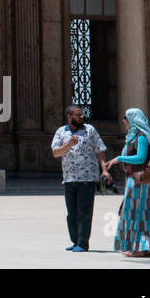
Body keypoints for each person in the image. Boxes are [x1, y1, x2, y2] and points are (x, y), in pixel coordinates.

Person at [102, 107, 150, 258]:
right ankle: (134, 246)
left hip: (139, 180)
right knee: (132, 211)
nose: (124, 123)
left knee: (140, 212)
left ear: (132, 120)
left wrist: (119, 158)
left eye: (126, 120)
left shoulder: (141, 137)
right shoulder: (133, 137)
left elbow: (141, 158)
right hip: (133, 179)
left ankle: (142, 247)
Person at [50, 104, 108, 252]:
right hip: (69, 178)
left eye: (82, 115)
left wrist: (105, 170)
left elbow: (100, 150)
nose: (81, 117)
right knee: (72, 213)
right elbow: (56, 153)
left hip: (87, 177)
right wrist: (68, 144)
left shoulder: (90, 130)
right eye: (78, 115)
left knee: (84, 212)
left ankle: (83, 243)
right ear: (69, 117)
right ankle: (75, 241)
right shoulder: (61, 132)